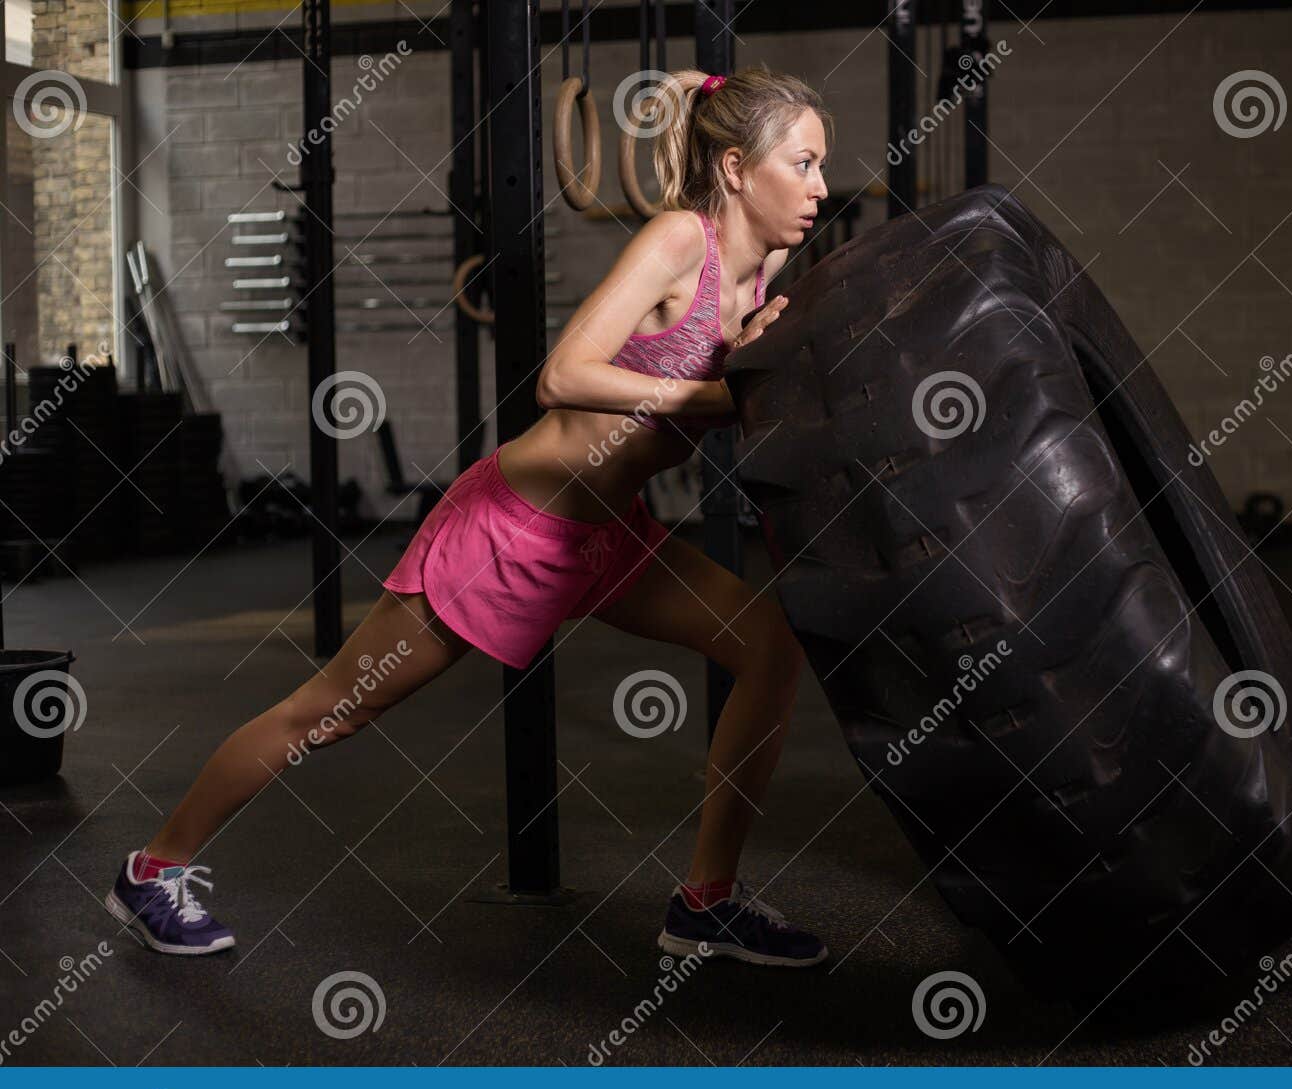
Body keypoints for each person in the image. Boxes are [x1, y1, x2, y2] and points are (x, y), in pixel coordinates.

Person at [104, 65, 833, 968]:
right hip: (510, 532)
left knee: (765, 643)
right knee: (329, 713)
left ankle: (705, 902)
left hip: (609, 539)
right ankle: (152, 867)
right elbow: (562, 377)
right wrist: (711, 395)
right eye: (801, 163)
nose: (820, 186)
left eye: (819, 166)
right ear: (735, 169)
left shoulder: (767, 267)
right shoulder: (679, 241)